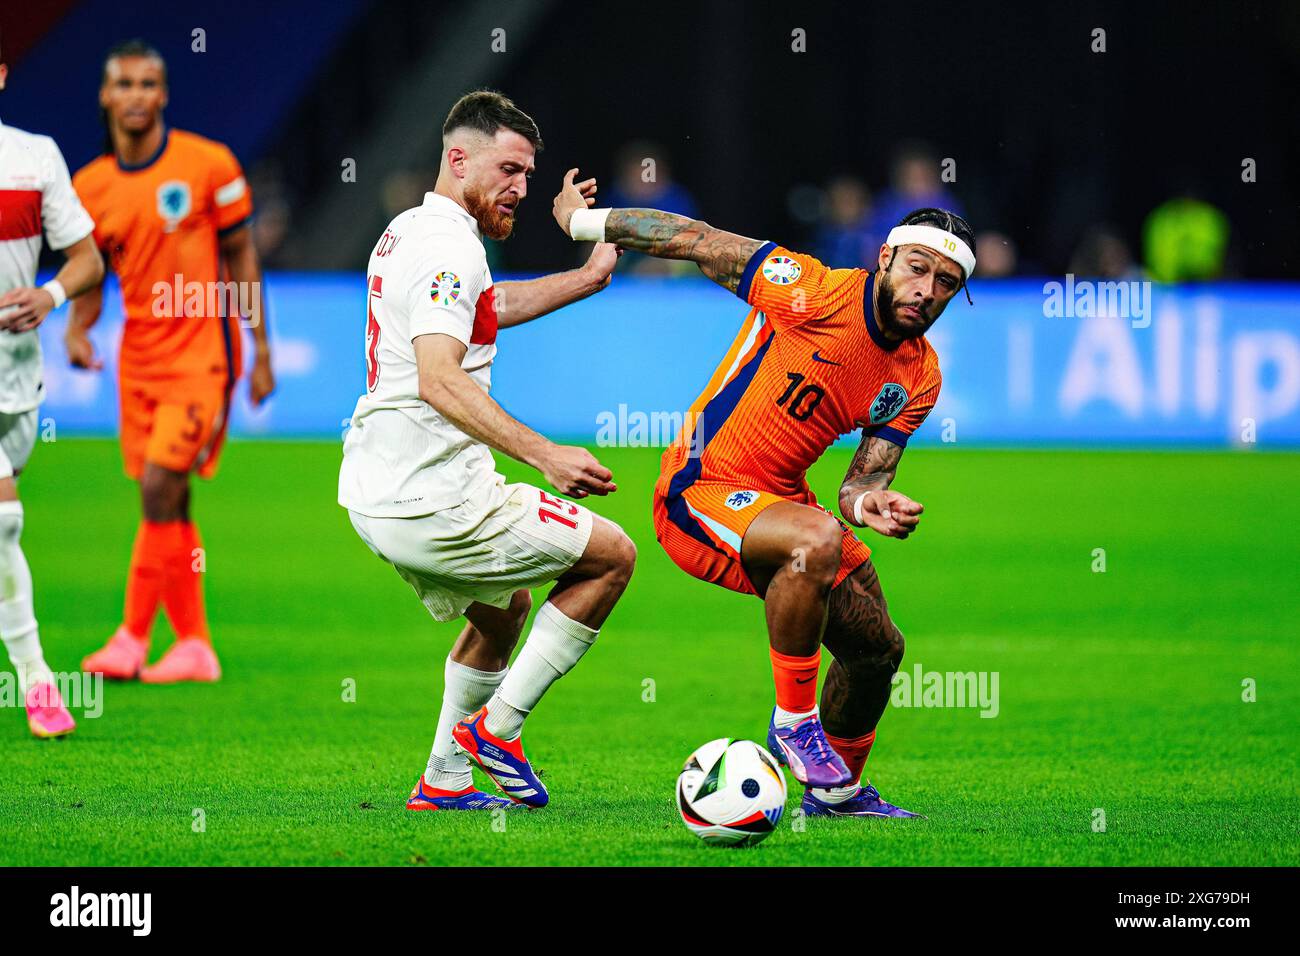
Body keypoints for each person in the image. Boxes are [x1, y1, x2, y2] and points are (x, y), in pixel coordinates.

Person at [555, 178, 977, 817]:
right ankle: (794, 722)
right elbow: (698, 240)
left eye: (946, 283)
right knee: (816, 541)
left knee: (878, 651)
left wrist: (870, 506)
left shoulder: (921, 374)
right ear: (886, 258)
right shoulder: (813, 290)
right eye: (918, 269)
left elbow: (860, 482)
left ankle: (837, 794)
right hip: (700, 488)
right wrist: (585, 226)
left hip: (783, 504)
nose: (926, 291)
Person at [339, 91, 636, 811]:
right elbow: (440, 377)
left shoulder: (413, 230)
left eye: (529, 174)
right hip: (433, 497)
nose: (522, 189)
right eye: (510, 168)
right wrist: (544, 454)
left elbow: (484, 309)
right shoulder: (447, 247)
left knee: (504, 611)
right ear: (458, 158)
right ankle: (498, 732)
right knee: (613, 556)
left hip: (374, 488)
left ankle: (443, 781)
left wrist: (587, 279)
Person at [70, 40, 276, 683]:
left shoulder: (208, 165)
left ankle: (132, 637)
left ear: (163, 95)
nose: (136, 96)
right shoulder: (91, 186)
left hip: (202, 358)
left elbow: (241, 255)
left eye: (148, 84)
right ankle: (193, 644)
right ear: (106, 96)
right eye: (124, 84)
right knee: (170, 498)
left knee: (160, 486)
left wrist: (261, 346)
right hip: (139, 360)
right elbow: (89, 269)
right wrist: (79, 328)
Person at [0, 53, 105, 736]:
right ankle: (39, 684)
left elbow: (89, 258)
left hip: (17, 380)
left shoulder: (35, 158)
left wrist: (50, 293)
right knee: (4, 521)